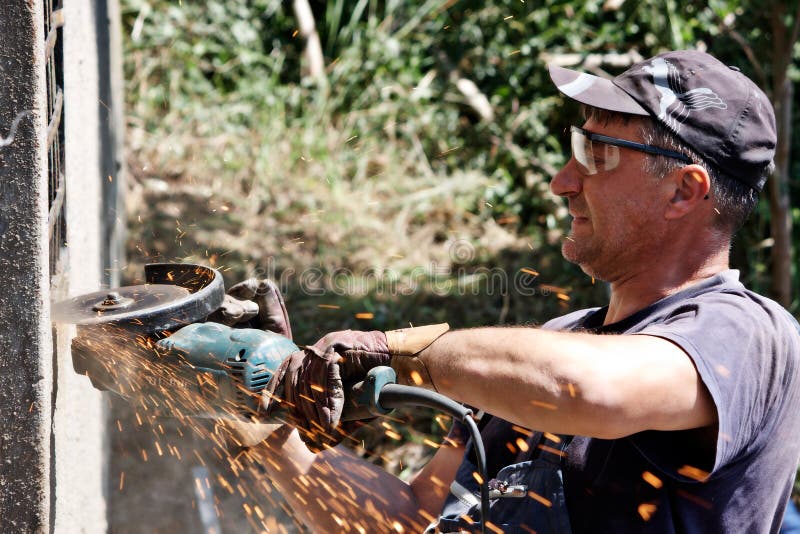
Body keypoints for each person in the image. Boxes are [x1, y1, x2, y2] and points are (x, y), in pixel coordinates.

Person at [221, 50, 800, 533]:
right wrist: (267, 423)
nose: (562, 181)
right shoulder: (550, 344)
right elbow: (410, 519)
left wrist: (395, 352)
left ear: (682, 191)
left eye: (596, 155)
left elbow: (586, 387)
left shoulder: (749, 336)